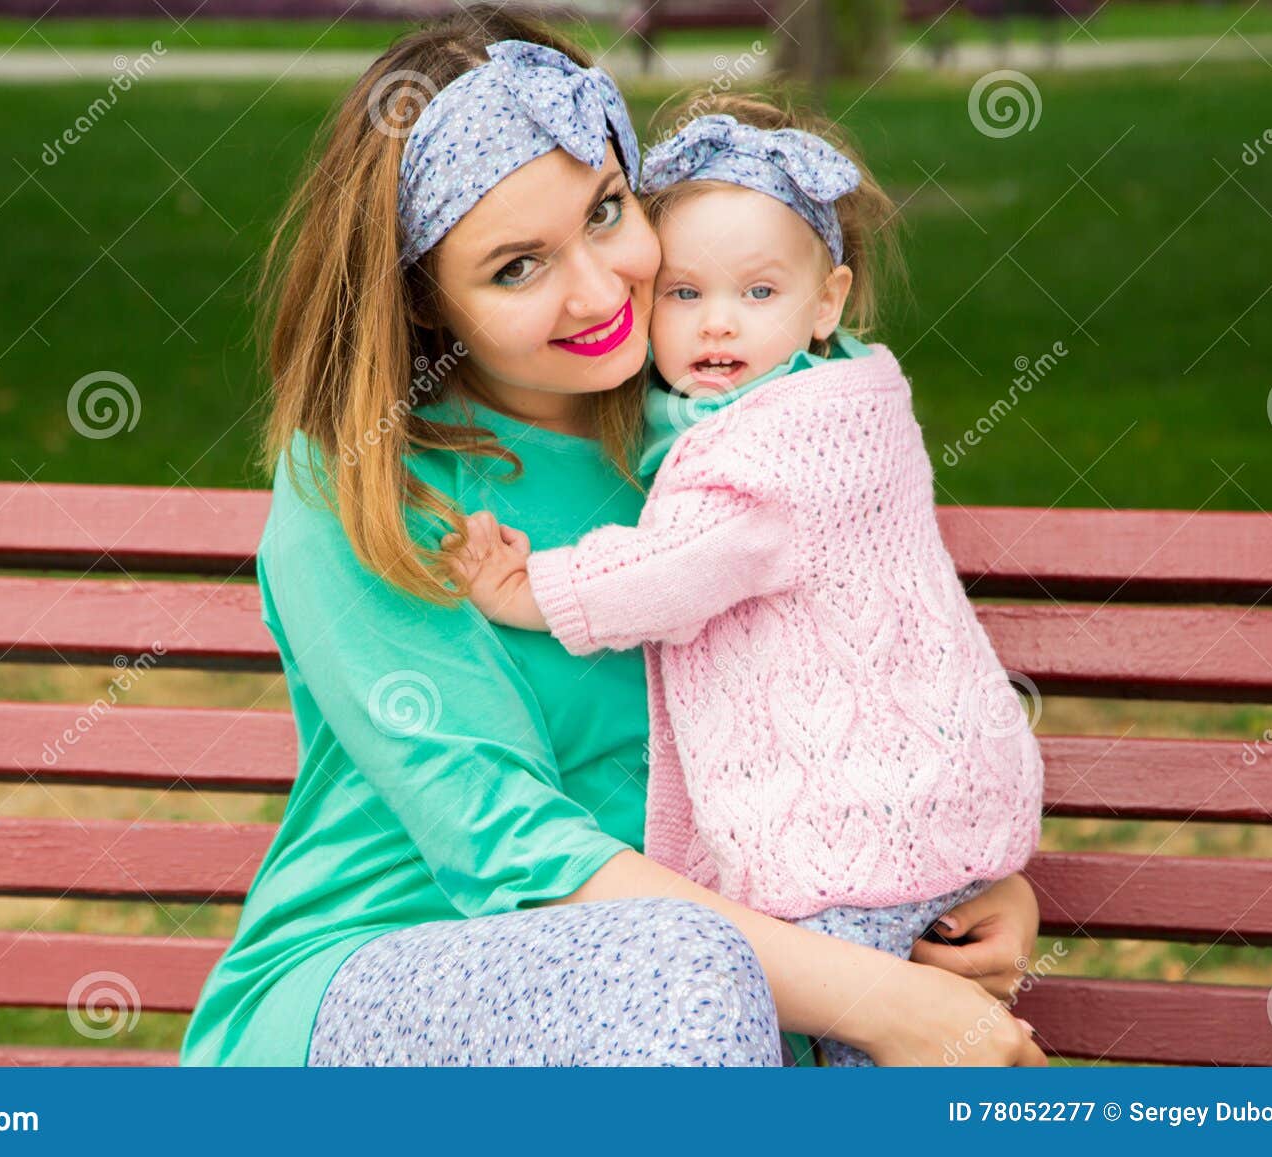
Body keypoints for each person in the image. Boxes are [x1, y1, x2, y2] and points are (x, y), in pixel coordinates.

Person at [179, 5, 1046, 1068]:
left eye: (604, 211)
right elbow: (512, 849)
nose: (598, 291)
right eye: (514, 267)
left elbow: (867, 683)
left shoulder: (733, 428)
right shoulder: (361, 481)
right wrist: (877, 998)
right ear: (426, 308)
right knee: (678, 965)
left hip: (696, 1005)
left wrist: (960, 886)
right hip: (373, 994)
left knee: (695, 979)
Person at [443, 95, 1046, 1068]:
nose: (718, 322)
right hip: (925, 823)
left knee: (870, 1060)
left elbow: (681, 564)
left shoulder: (772, 449)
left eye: (757, 294)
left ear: (826, 301)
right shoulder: (848, 395)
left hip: (847, 846)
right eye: (684, 294)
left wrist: (534, 591)